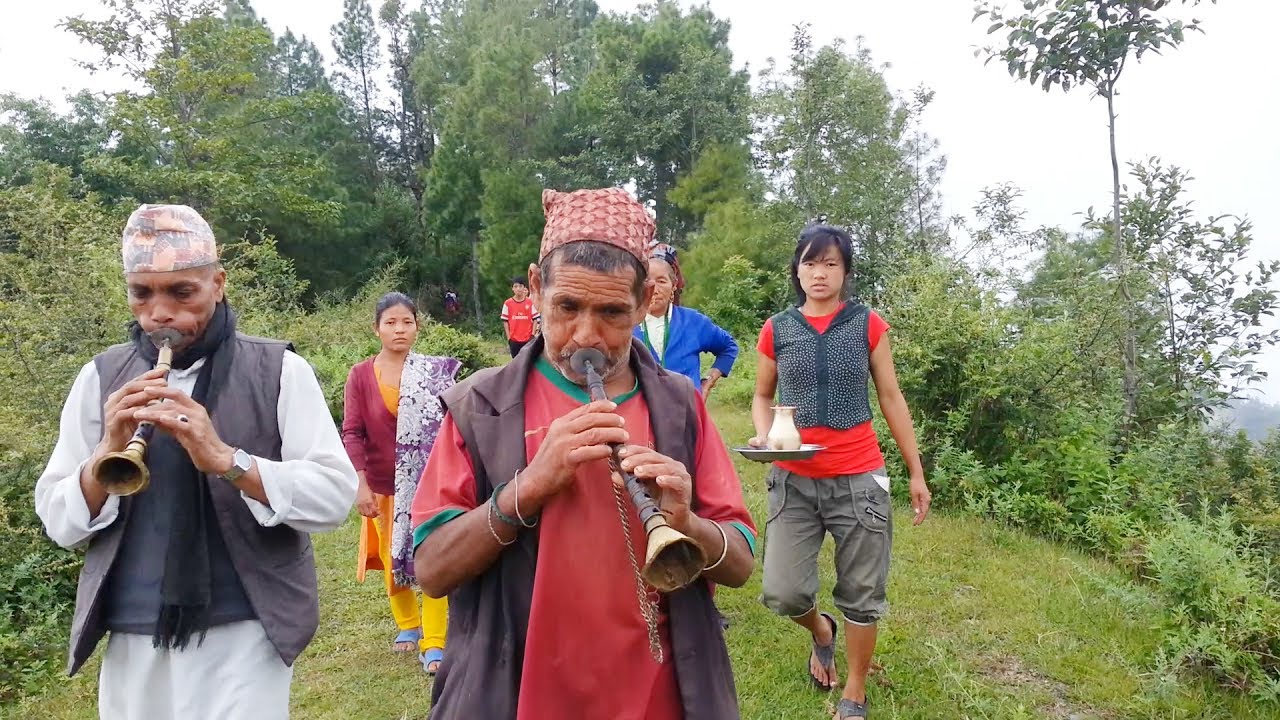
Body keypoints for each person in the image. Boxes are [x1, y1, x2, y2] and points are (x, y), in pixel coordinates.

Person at [411, 187, 758, 719]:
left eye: (614, 313)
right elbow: (431, 569)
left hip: (656, 698)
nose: (585, 335)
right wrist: (527, 489)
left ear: (645, 302)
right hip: (521, 696)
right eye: (567, 307)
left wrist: (688, 523)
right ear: (534, 288)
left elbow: (739, 564)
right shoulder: (481, 406)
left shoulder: (680, 405)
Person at [33, 204, 358, 720]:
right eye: (142, 293)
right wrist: (103, 458)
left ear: (218, 283)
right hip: (133, 628)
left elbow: (335, 498)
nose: (159, 313)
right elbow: (58, 519)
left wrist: (229, 461)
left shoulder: (280, 370)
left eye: (182, 292)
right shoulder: (99, 377)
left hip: (247, 627)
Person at [748, 224, 931, 720]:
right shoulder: (778, 328)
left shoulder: (867, 323)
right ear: (797, 271)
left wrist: (915, 471)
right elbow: (762, 395)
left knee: (863, 592)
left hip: (859, 477)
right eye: (809, 263)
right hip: (793, 478)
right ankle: (820, 631)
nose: (819, 273)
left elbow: (891, 397)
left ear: (846, 271)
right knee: (782, 591)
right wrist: (764, 435)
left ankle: (854, 690)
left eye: (830, 263)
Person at [342, 292, 458, 674]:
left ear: (417, 327)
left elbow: (450, 427)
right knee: (395, 558)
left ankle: (435, 640)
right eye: (390, 322)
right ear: (376, 328)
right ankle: (409, 625)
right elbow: (353, 432)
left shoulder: (432, 373)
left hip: (428, 484)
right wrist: (360, 485)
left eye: (407, 322)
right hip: (382, 485)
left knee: (430, 555)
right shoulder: (360, 375)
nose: (399, 329)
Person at [633, 242, 739, 396]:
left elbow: (728, 347)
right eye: (647, 281)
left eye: (662, 281)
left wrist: (708, 381)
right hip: (642, 413)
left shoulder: (693, 322)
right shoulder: (626, 323)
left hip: (687, 413)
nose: (654, 289)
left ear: (674, 285)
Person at [501, 277, 540, 357]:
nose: (518, 289)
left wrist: (532, 335)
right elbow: (505, 321)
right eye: (515, 286)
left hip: (527, 340)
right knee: (516, 363)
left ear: (524, 288)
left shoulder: (529, 302)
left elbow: (535, 318)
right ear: (512, 289)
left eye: (520, 286)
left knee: (528, 362)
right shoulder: (508, 303)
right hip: (514, 340)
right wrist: (509, 338)